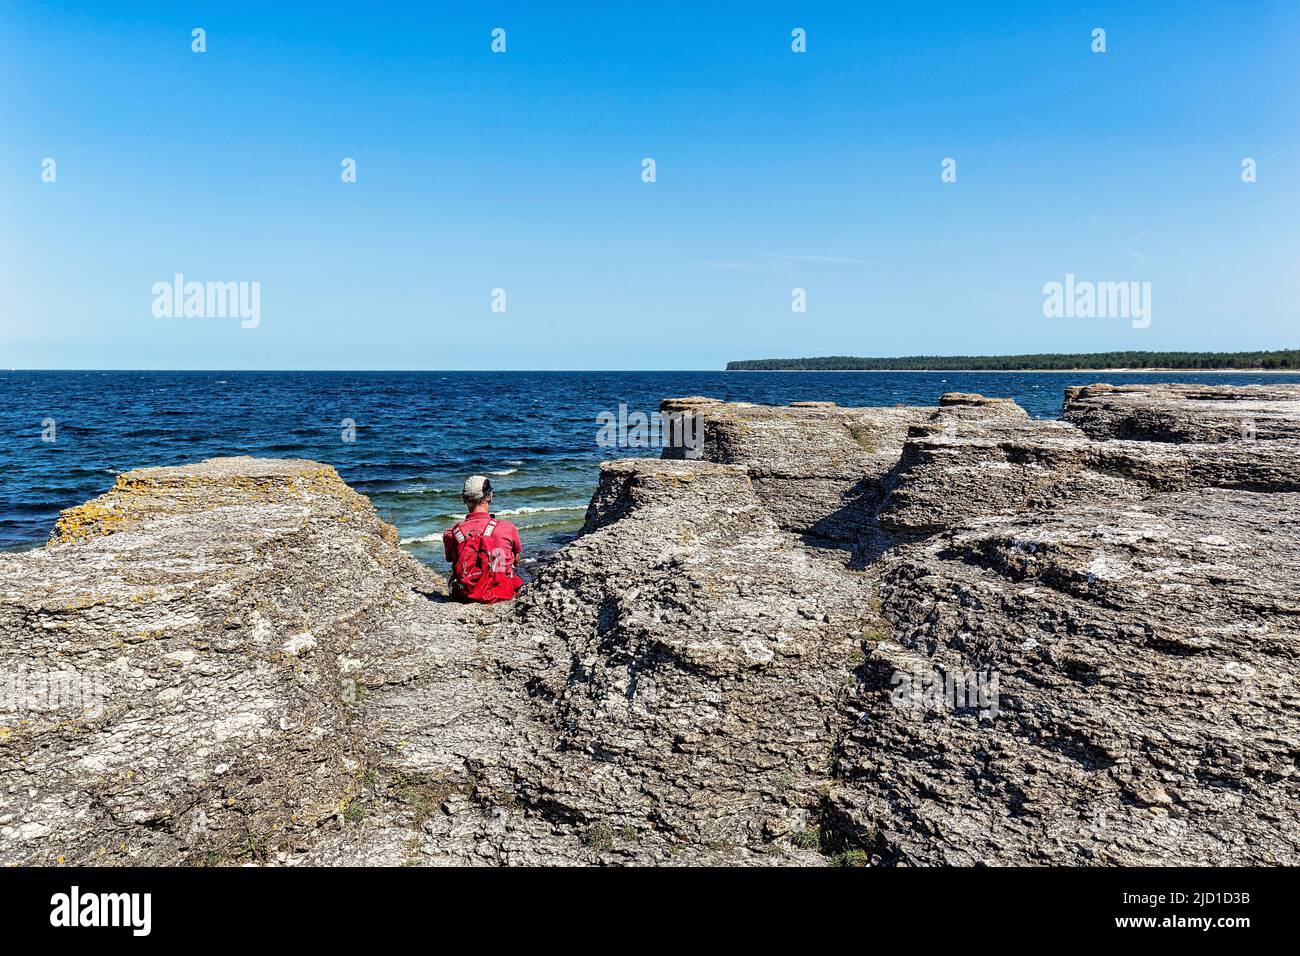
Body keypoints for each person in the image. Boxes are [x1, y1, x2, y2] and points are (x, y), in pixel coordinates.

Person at [442, 475, 523, 603]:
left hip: (465, 595)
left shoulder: (452, 534)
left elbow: (451, 559)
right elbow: (516, 560)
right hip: (502, 592)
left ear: (464, 499)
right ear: (490, 496)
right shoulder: (507, 528)